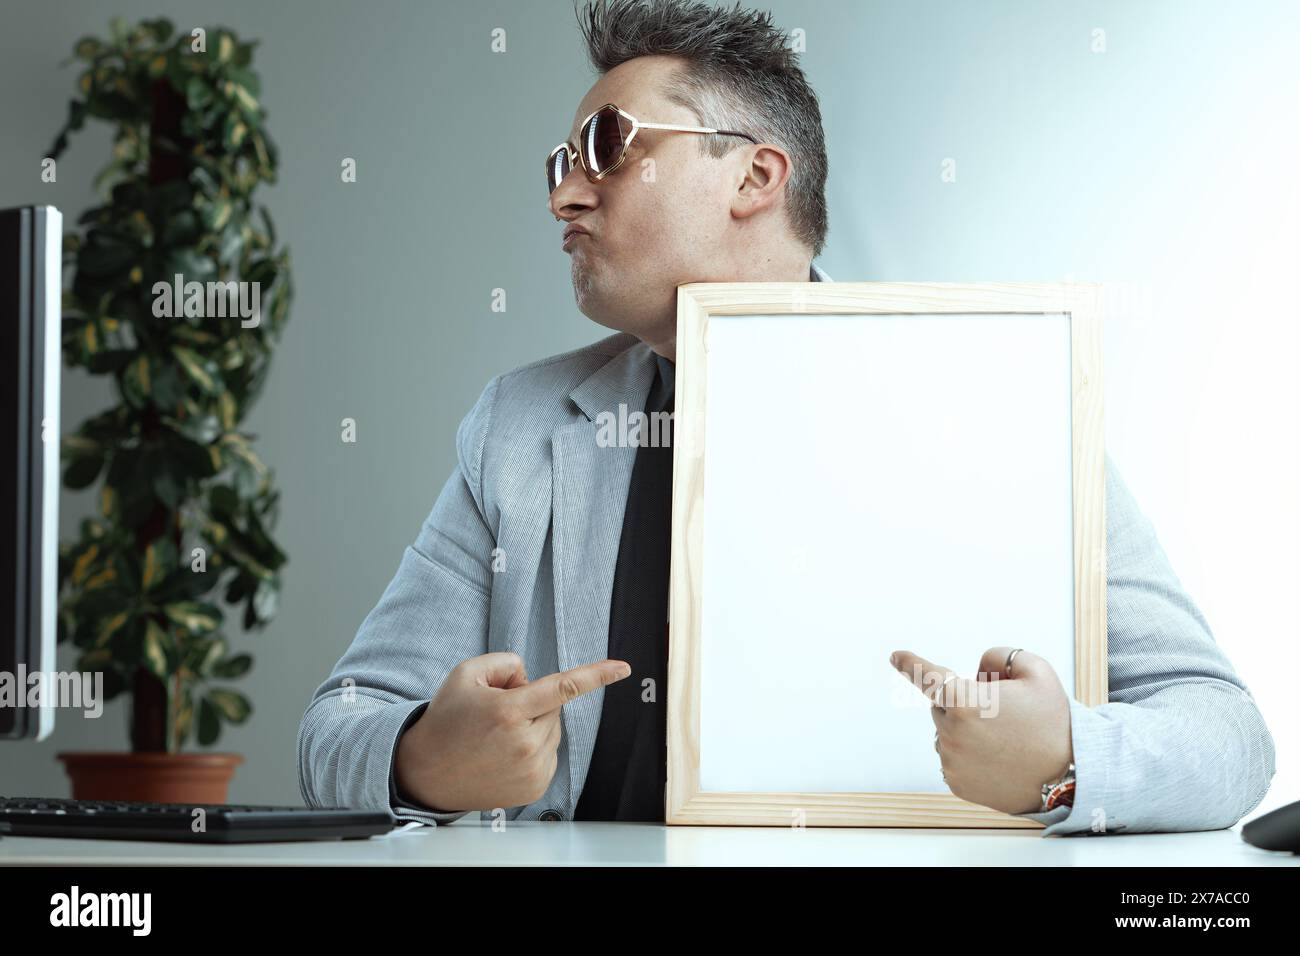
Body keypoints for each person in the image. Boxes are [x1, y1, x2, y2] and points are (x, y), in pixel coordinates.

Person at [297, 0, 1274, 834]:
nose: (564, 193)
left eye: (604, 147)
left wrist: (1065, 763)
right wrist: (421, 758)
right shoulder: (517, 427)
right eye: (559, 159)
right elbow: (337, 725)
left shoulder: (996, 395)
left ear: (755, 178)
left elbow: (1227, 734)